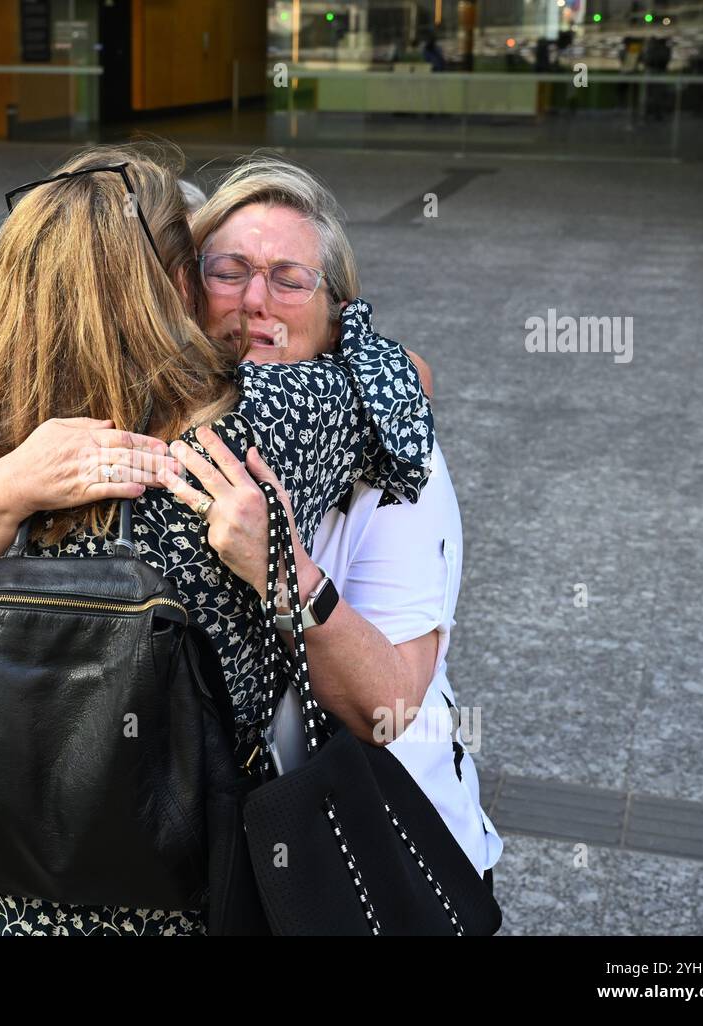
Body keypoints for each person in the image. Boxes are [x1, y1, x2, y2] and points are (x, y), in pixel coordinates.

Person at [0, 144, 435, 935]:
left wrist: (2, 490)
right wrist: (334, 308)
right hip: (185, 887)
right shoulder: (259, 422)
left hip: (14, 889)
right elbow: (407, 378)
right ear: (172, 284)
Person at [187, 158, 501, 886]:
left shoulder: (395, 456)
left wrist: (285, 572)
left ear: (336, 315)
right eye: (228, 270)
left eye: (289, 279)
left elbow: (389, 707)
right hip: (241, 860)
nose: (254, 300)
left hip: (382, 858)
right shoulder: (179, 429)